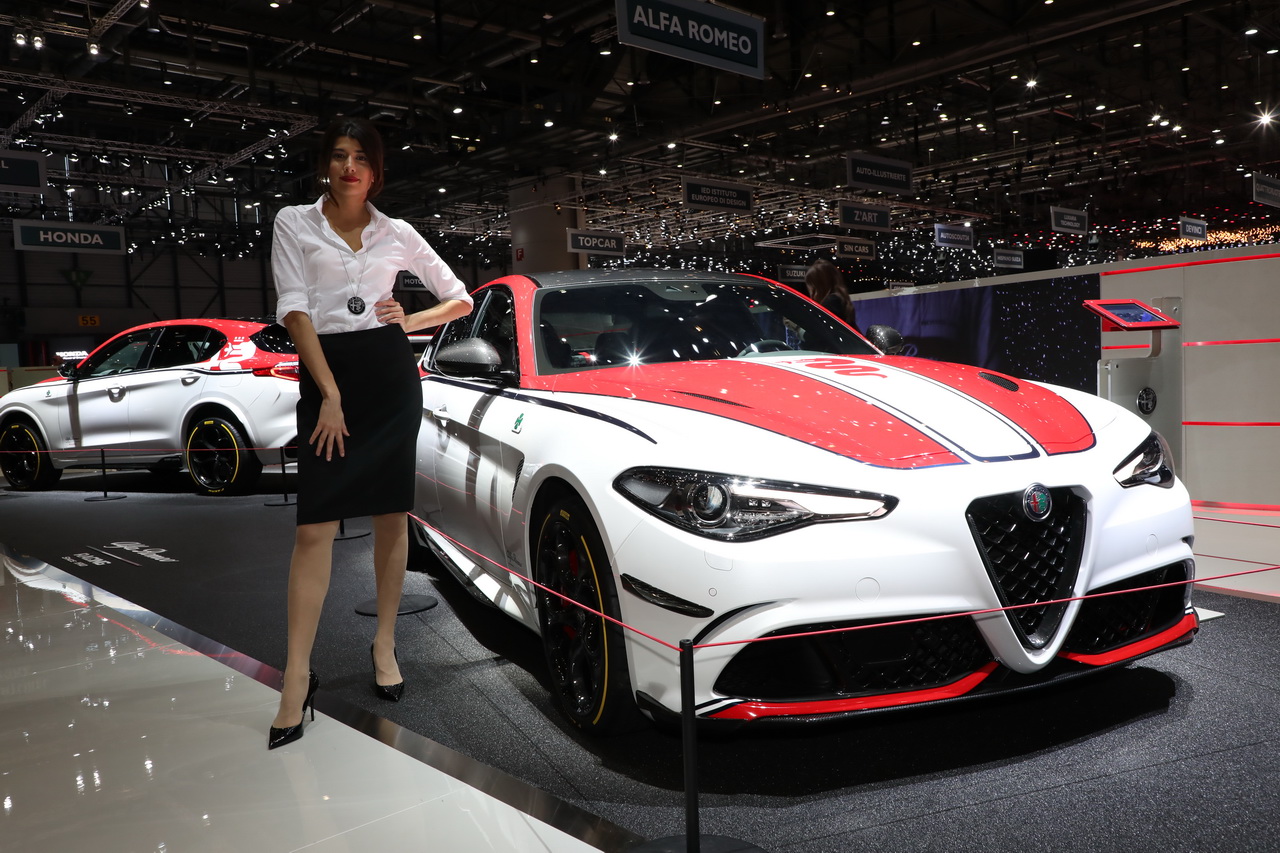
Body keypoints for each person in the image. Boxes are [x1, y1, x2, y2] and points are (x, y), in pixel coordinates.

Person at [267, 116, 472, 750]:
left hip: (388, 375)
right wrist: (327, 393)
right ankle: (296, 678)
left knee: (391, 516)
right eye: (339, 155)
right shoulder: (293, 223)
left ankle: (385, 643)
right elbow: (294, 309)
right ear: (325, 166)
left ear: (375, 172)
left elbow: (460, 299)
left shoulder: (398, 232)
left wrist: (411, 317)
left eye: (361, 158)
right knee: (314, 527)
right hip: (328, 374)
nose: (349, 166)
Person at [804, 257, 857, 331]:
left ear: (820, 286)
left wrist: (797, 328)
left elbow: (819, 334)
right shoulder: (840, 300)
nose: (810, 292)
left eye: (811, 286)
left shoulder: (832, 302)